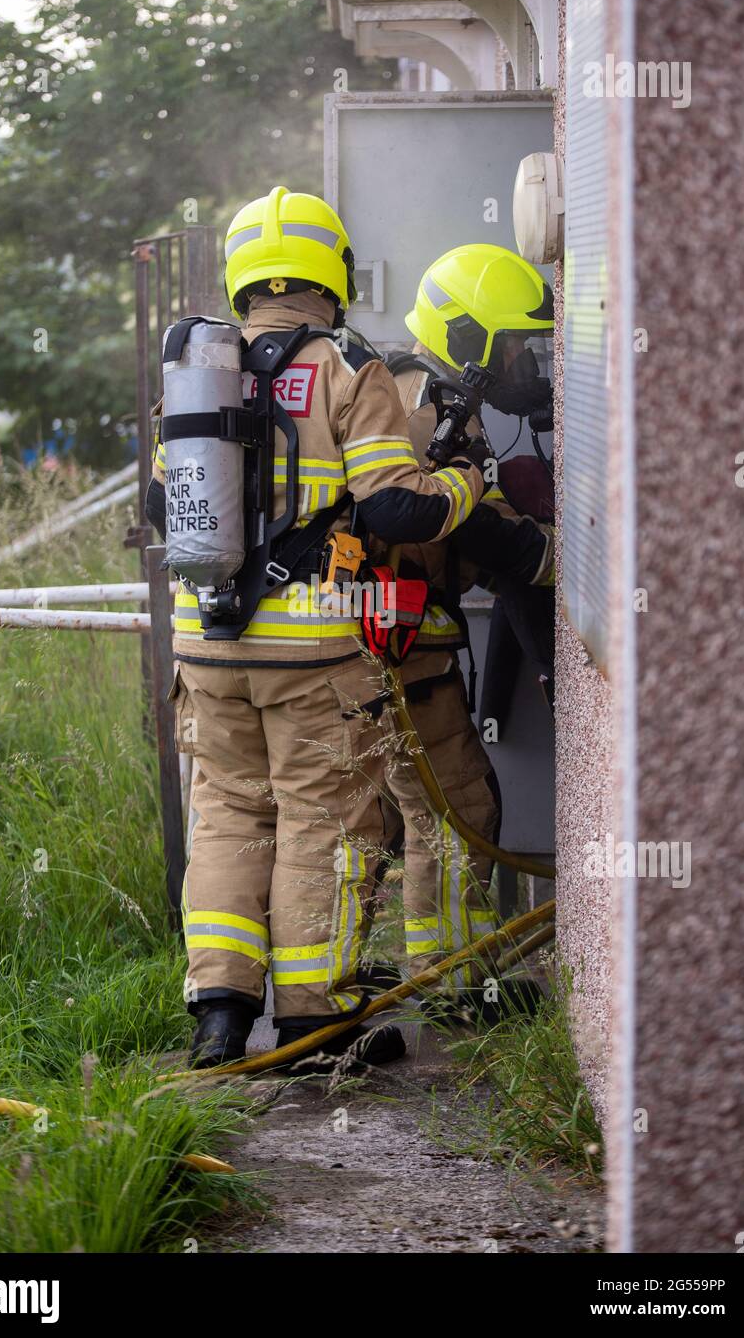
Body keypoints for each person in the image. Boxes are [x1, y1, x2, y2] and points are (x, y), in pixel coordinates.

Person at [145, 188, 490, 1067]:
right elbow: (397, 507)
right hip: (312, 655)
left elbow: (163, 504)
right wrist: (468, 486)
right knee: (323, 823)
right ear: (331, 271)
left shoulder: (198, 371)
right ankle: (312, 1019)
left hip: (205, 644)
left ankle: (220, 1015)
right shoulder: (343, 363)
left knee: (226, 816)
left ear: (241, 276)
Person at [377, 244, 555, 1005]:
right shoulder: (425, 409)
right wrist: (548, 555)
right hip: (398, 649)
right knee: (456, 812)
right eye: (511, 346)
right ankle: (451, 989)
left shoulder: (417, 393)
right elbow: (462, 531)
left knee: (406, 814)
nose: (522, 364)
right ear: (468, 340)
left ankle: (347, 987)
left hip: (382, 641)